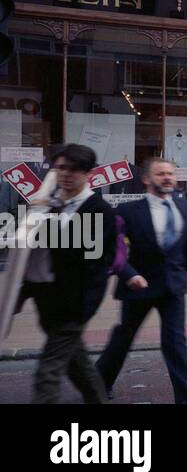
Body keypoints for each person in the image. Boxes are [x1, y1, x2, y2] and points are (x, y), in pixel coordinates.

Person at [17, 143, 118, 404]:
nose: (66, 174)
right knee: (79, 367)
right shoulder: (48, 205)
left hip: (73, 306)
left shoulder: (98, 210)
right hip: (47, 302)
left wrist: (86, 309)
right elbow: (32, 255)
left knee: (48, 372)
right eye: (61, 167)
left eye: (74, 169)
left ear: (87, 174)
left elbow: (93, 264)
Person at [96, 158, 187, 403]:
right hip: (139, 287)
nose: (167, 178)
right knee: (123, 339)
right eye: (160, 173)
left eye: (170, 174)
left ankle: (185, 398)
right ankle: (98, 385)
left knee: (175, 343)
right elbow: (113, 249)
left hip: (173, 286)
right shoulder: (128, 211)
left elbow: (183, 242)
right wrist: (129, 274)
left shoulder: (184, 207)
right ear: (146, 179)